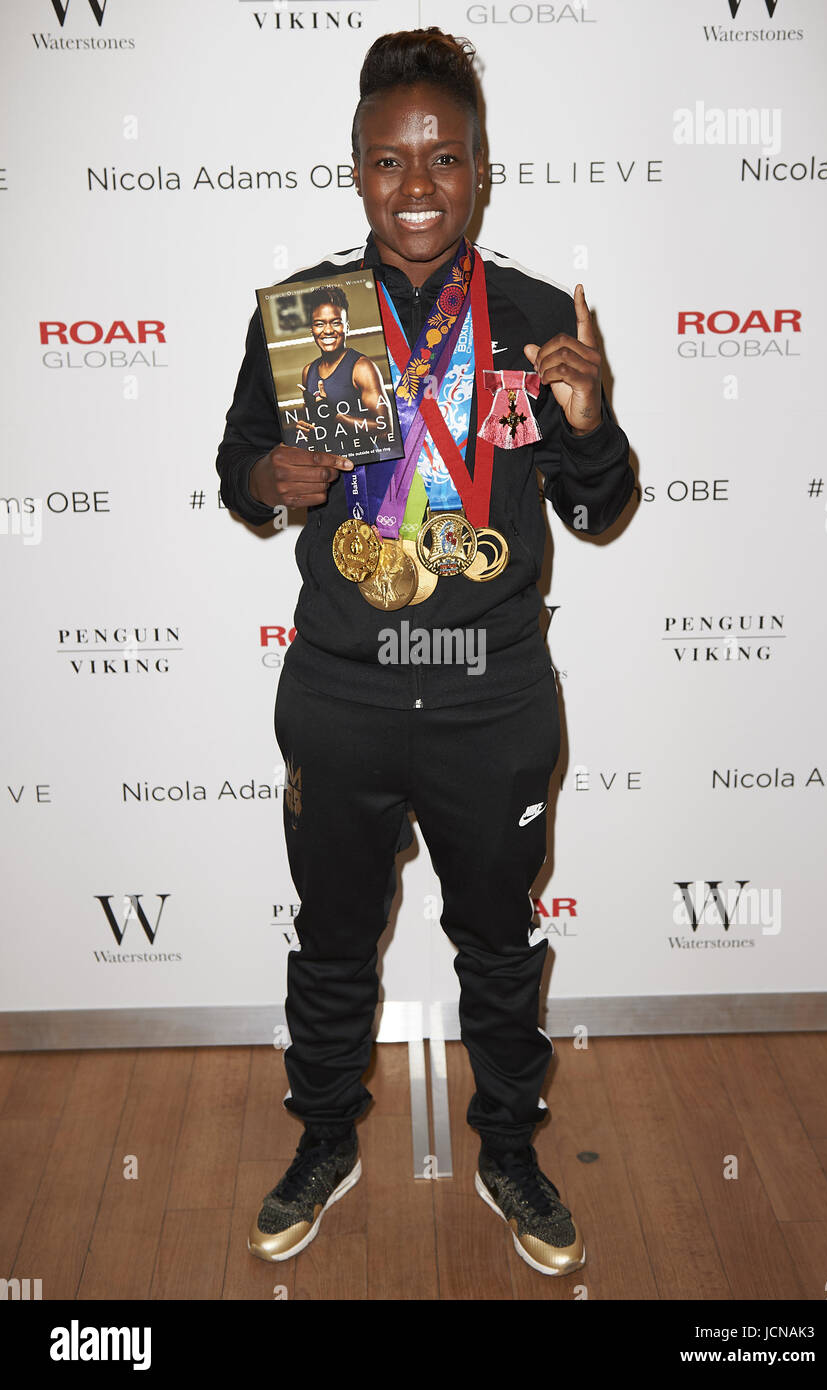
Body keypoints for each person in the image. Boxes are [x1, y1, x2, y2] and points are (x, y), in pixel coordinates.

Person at [216, 26, 634, 1279]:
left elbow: (598, 508)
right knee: (333, 936)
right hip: (339, 691)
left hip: (490, 693)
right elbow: (237, 471)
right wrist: (269, 479)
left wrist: (592, 421)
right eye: (389, 160)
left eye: (443, 158)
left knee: (497, 943)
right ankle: (325, 1137)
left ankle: (508, 1142)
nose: (416, 187)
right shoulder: (300, 318)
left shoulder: (539, 321)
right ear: (354, 169)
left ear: (481, 168)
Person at [293, 285, 395, 461]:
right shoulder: (308, 371)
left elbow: (385, 430)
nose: (328, 330)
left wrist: (335, 417)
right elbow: (313, 423)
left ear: (346, 327)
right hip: (327, 469)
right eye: (319, 324)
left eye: (336, 322)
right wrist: (305, 429)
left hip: (363, 469)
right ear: (312, 330)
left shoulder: (361, 367)